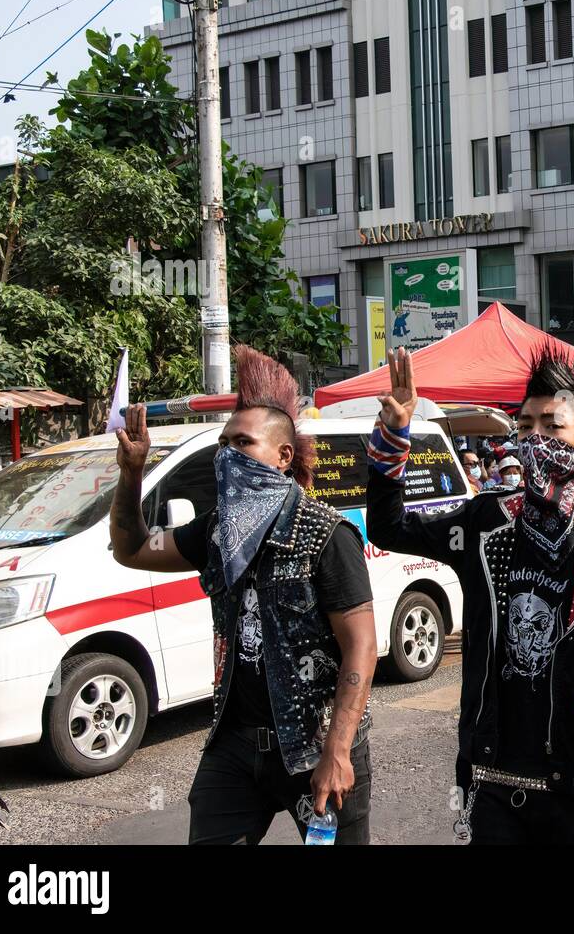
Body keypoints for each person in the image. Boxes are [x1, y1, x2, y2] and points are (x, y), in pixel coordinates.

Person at [365, 347, 574, 845]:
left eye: (553, 426)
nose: (535, 439)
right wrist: (394, 436)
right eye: (525, 426)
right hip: (492, 787)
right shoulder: (486, 523)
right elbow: (388, 527)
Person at [108, 346, 377, 844]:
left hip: (314, 745)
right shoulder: (215, 532)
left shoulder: (326, 534)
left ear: (283, 456)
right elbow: (133, 549)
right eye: (224, 443)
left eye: (243, 442)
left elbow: (360, 645)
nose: (228, 454)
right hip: (234, 749)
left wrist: (337, 749)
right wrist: (131, 475)